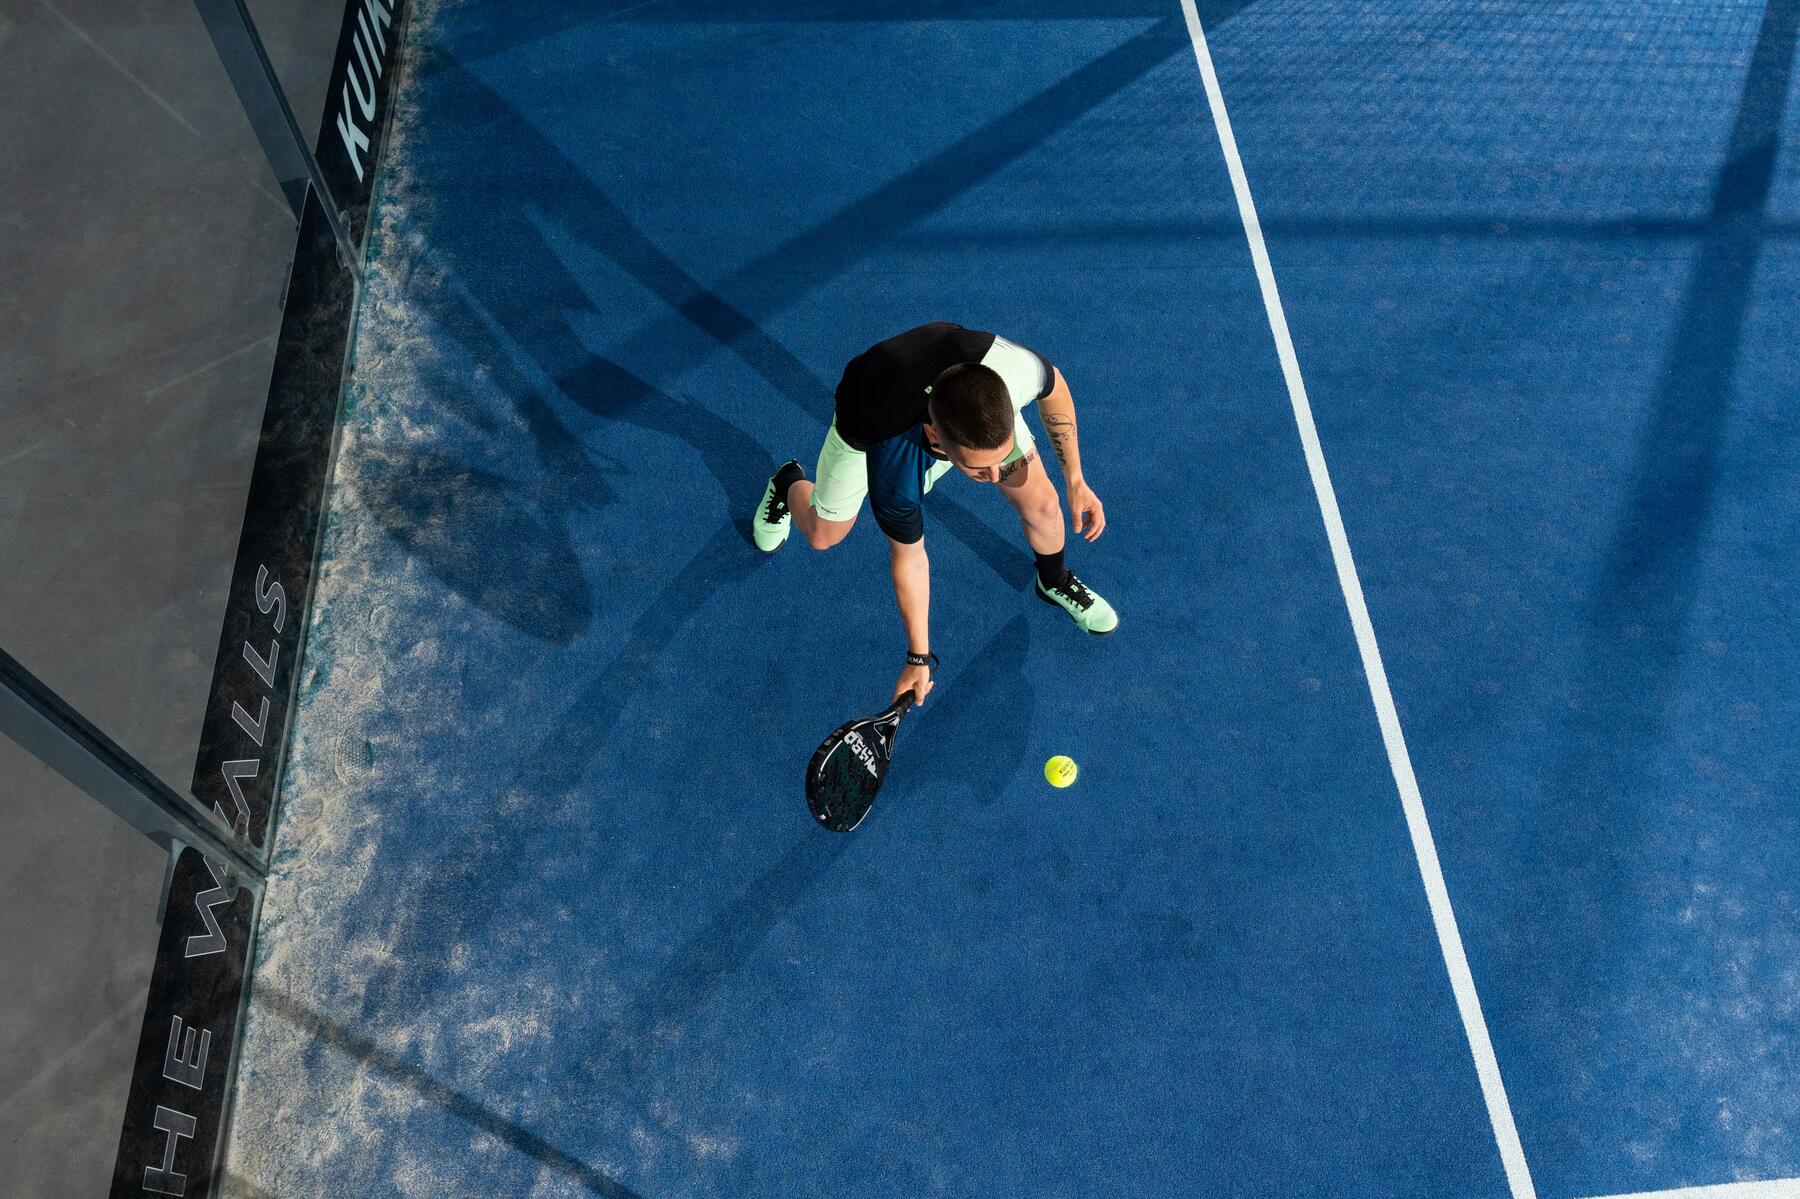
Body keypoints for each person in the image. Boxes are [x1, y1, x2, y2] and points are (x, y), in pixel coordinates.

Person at [753, 321, 1117, 707]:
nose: (995, 476)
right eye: (980, 470)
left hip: (956, 378)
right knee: (823, 534)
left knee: (1043, 503)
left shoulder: (1013, 371)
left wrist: (1075, 480)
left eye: (999, 459)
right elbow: (910, 559)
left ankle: (1053, 580)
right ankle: (787, 483)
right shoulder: (893, 468)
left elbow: (1055, 386)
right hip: (866, 414)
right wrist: (918, 656)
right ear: (935, 439)